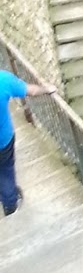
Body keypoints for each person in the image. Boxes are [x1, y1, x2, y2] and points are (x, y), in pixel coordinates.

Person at [0, 68, 56, 216]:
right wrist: (47, 88)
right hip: (3, 141)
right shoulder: (3, 80)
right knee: (5, 171)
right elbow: (30, 91)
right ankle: (10, 204)